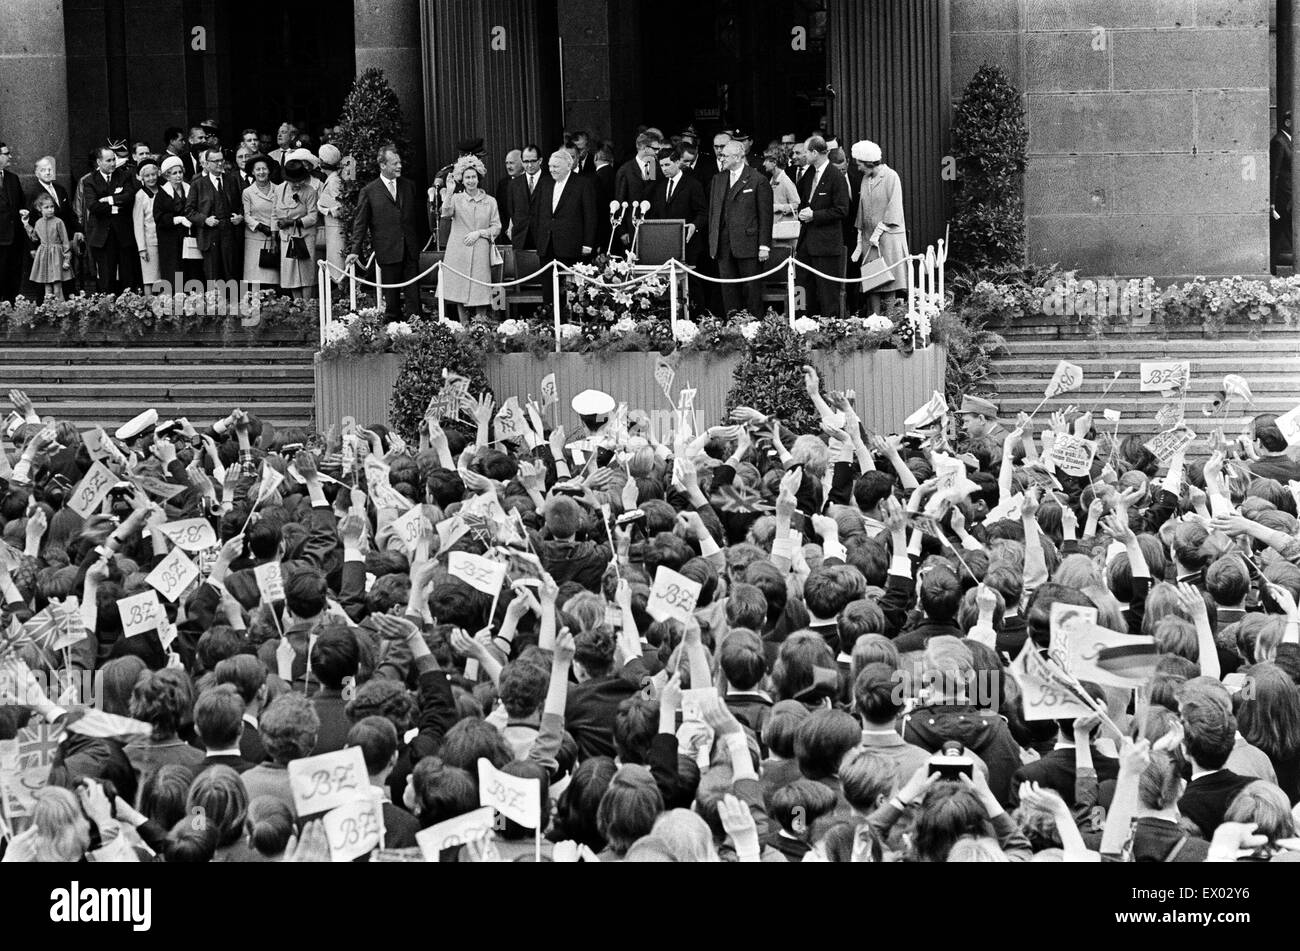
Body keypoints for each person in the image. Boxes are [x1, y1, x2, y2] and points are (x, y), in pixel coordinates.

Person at [347, 144, 425, 319]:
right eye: (394, 163)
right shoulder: (369, 191)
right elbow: (360, 223)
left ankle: (417, 330)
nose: (399, 166)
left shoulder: (409, 186)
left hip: (410, 249)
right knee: (392, 300)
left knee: (414, 296)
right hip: (387, 250)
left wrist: (420, 244)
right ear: (382, 165)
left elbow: (417, 218)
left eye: (399, 163)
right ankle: (392, 331)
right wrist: (354, 251)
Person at [707, 139, 773, 318]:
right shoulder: (718, 179)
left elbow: (765, 216)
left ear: (737, 157)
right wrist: (713, 242)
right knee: (728, 290)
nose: (721, 159)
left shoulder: (758, 179)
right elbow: (713, 212)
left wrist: (764, 246)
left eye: (725, 156)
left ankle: (754, 327)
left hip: (749, 244)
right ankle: (733, 329)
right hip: (723, 244)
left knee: (751, 290)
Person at [438, 155, 502, 323]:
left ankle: (480, 326)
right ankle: (463, 326)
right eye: (467, 177)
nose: (471, 180)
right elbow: (445, 213)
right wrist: (450, 191)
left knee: (481, 290)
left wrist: (480, 233)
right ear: (462, 179)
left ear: (479, 178)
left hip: (480, 249)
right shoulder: (457, 199)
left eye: (473, 177)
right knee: (460, 290)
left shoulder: (490, 201)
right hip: (459, 251)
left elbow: (497, 227)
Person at [795, 136, 851, 319]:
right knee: (801, 286)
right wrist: (802, 213)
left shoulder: (836, 176)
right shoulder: (808, 174)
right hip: (805, 244)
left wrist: (815, 215)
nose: (803, 155)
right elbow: (803, 200)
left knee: (828, 292)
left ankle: (831, 329)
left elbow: (842, 210)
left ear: (814, 153)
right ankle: (801, 322)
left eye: (805, 152)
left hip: (826, 245)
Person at [851, 139, 909, 313]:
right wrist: (860, 237)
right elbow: (862, 207)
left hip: (887, 238)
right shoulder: (865, 179)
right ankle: (874, 322)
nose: (858, 167)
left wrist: (880, 230)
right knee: (872, 283)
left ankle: (890, 323)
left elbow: (895, 207)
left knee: (889, 283)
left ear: (868, 162)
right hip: (870, 239)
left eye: (859, 163)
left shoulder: (891, 176)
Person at [79, 145, 139, 292]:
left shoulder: (124, 176)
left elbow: (129, 197)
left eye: (114, 159)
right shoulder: (90, 181)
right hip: (102, 236)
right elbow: (93, 206)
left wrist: (110, 199)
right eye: (108, 160)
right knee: (106, 276)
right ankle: (108, 308)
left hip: (123, 233)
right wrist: (116, 206)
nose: (113, 163)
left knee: (127, 275)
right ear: (99, 162)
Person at [25, 155, 82, 299]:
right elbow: (31, 222)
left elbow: (69, 213)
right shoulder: (33, 192)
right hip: (44, 246)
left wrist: (79, 230)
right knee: (46, 281)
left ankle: (66, 309)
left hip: (62, 242)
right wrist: (32, 246)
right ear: (37, 173)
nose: (48, 172)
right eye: (44, 170)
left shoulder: (60, 189)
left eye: (50, 169)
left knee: (65, 279)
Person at [187, 146, 245, 282]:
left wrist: (240, 216)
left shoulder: (232, 180)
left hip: (230, 234)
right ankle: (215, 302)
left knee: (232, 274)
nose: (220, 164)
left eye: (221, 160)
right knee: (213, 275)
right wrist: (205, 220)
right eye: (215, 161)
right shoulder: (198, 184)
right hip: (209, 235)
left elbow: (243, 203)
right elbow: (189, 211)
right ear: (206, 164)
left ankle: (234, 302)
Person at [535, 149, 597, 267]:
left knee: (568, 284)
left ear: (568, 165)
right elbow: (537, 213)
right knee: (548, 283)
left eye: (556, 166)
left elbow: (590, 216)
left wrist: (588, 243)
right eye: (550, 166)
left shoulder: (583, 184)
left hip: (572, 246)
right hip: (546, 246)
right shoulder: (544, 183)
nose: (551, 170)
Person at [648, 147, 707, 269]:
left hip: (687, 243)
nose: (664, 169)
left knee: (691, 284)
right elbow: (655, 213)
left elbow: (703, 212)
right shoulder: (660, 186)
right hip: (664, 244)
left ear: (677, 162)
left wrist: (694, 225)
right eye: (662, 165)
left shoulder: (693, 184)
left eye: (667, 164)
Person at [275, 148, 320, 301]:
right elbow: (274, 214)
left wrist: (294, 222)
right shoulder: (279, 190)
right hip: (286, 238)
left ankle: (307, 306)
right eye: (293, 181)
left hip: (305, 237)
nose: (296, 184)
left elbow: (313, 217)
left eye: (299, 181)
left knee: (307, 273)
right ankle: (297, 305)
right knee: (290, 274)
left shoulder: (310, 192)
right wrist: (275, 233)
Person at [614, 128, 666, 249]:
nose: (658, 152)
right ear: (644, 148)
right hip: (632, 226)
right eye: (655, 149)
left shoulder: (658, 168)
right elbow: (620, 200)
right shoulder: (625, 170)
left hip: (655, 226)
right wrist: (622, 231)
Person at [154, 154, 198, 287]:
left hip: (188, 236)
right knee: (174, 271)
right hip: (170, 240)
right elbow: (159, 218)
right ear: (167, 175)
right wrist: (177, 219)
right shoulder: (162, 194)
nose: (178, 176)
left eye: (180, 172)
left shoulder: (190, 189)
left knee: (191, 268)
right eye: (174, 173)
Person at [23, 192, 73, 301]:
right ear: (39, 208)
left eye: (52, 207)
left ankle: (61, 310)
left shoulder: (58, 222)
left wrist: (67, 259)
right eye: (46, 207)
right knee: (47, 288)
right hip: (44, 256)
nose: (50, 209)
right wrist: (26, 224)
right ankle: (49, 312)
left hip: (56, 256)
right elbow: (35, 238)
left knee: (57, 287)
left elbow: (65, 241)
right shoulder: (38, 222)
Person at [241, 155, 281, 291]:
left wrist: (274, 230)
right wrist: (259, 226)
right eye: (257, 169)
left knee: (272, 278)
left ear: (269, 171)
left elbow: (280, 211)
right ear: (252, 172)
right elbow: (246, 215)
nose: (261, 172)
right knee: (255, 279)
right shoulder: (248, 192)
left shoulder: (279, 189)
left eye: (264, 169)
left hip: (274, 238)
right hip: (255, 238)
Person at [0, 142, 30, 303]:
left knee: (13, 274)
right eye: (6, 153)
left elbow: (21, 202)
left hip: (14, 237)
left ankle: (10, 305)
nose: (10, 156)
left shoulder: (13, 178)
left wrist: (23, 211)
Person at [315, 144, 347, 285]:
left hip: (336, 229)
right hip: (331, 229)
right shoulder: (331, 179)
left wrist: (323, 208)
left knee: (337, 266)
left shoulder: (334, 181)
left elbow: (341, 209)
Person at [507, 144, 545, 251]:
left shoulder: (549, 181)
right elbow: (512, 210)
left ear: (540, 160)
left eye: (533, 161)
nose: (529, 165)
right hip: (521, 239)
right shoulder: (514, 184)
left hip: (543, 239)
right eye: (526, 162)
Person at [763, 148, 801, 251]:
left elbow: (796, 203)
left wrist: (778, 207)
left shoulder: (785, 181)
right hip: (775, 231)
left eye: (766, 160)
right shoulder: (772, 180)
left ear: (774, 162)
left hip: (785, 233)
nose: (763, 164)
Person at [131, 158, 161, 288]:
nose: (151, 178)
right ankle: (149, 305)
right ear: (142, 178)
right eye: (147, 176)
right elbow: (138, 223)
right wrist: (142, 248)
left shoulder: (163, 191)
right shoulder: (140, 195)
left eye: (153, 175)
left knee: (162, 278)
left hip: (163, 240)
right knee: (150, 278)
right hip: (149, 242)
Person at [1272, 111, 1293, 262]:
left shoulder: (1289, 140)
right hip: (1283, 199)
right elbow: (1275, 173)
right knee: (1289, 232)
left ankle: (1272, 266)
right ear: (1288, 123)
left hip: (1289, 197)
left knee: (1280, 233)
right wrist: (1272, 202)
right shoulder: (1279, 141)